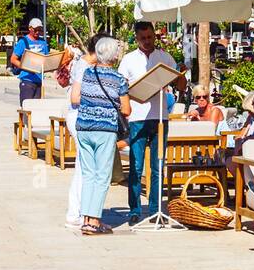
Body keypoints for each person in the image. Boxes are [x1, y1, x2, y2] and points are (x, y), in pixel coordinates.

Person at [118, 21, 181, 224]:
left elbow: (180, 83)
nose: (147, 41)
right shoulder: (128, 60)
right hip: (137, 118)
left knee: (157, 165)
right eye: (143, 38)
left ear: (155, 36)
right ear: (136, 38)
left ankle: (155, 209)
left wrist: (179, 76)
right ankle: (134, 210)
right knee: (136, 166)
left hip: (160, 117)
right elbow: (120, 87)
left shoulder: (164, 57)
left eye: (150, 37)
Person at [69, 36, 131, 236]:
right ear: (114, 56)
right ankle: (94, 221)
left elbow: (77, 96)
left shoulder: (87, 73)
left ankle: (86, 219)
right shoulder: (119, 79)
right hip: (104, 130)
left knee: (88, 175)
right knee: (102, 176)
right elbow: (127, 109)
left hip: (84, 128)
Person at [60, 34, 106, 228]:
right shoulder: (84, 66)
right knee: (84, 166)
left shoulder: (86, 64)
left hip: (83, 117)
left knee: (85, 166)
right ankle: (76, 213)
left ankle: (81, 211)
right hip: (80, 117)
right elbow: (75, 97)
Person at [9, 18, 50, 102]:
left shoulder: (43, 42)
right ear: (30, 28)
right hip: (27, 80)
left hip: (39, 80)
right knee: (27, 108)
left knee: (36, 110)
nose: (37, 32)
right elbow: (13, 59)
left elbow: (46, 58)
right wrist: (25, 66)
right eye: (35, 30)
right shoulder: (23, 41)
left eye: (39, 30)